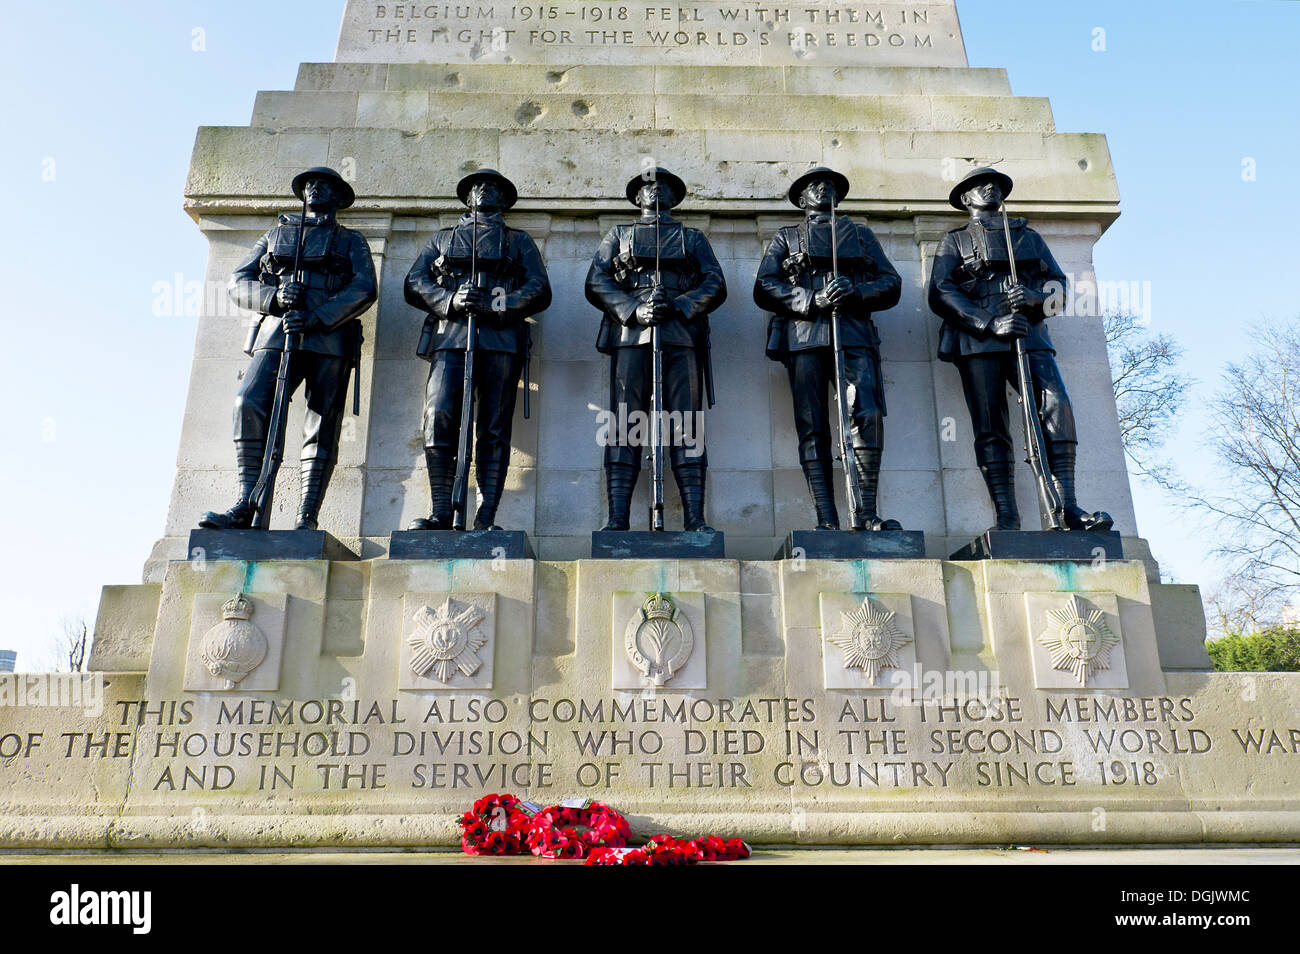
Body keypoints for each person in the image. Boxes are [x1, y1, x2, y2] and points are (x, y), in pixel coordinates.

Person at [928, 166, 1112, 532]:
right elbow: (940, 291)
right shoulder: (955, 242)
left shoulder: (1027, 237)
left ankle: (1068, 508)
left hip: (1028, 334)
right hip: (979, 341)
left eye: (995, 185)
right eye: (980, 186)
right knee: (991, 424)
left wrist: (1035, 298)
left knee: (1056, 406)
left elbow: (1058, 287)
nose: (990, 189)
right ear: (966, 199)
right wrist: (988, 322)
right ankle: (1007, 517)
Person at [199, 166, 375, 531]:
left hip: (330, 334)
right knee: (248, 402)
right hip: (279, 329)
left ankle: (306, 516)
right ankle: (246, 504)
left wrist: (318, 317)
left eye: (324, 184)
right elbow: (237, 282)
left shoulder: (351, 239)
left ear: (339, 197)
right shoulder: (276, 233)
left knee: (322, 423)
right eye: (310, 184)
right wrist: (274, 298)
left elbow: (364, 288)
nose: (314, 188)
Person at [754, 167, 903, 530]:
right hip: (804, 336)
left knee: (866, 415)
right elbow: (764, 286)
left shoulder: (861, 235)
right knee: (812, 425)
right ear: (802, 199)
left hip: (853, 333)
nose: (823, 189)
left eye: (830, 186)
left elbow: (891, 282)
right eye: (814, 186)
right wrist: (812, 298)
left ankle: (866, 512)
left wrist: (858, 292)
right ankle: (827, 519)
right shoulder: (787, 237)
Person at [404, 169, 551, 530]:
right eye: (477, 187)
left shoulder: (519, 241)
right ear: (467, 197)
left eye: (493, 188)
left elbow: (539, 288)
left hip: (501, 340)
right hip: (451, 337)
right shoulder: (442, 239)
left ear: (504, 199)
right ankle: (442, 510)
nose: (484, 191)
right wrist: (451, 298)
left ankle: (486, 515)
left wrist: (497, 305)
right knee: (439, 417)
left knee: (493, 427)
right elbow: (414, 283)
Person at [585, 167, 727, 532]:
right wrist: (635, 310)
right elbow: (596, 280)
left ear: (674, 197)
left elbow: (715, 282)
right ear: (637, 197)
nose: (655, 190)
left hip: (681, 334)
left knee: (686, 425)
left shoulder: (692, 238)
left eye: (663, 186)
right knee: (623, 424)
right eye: (648, 186)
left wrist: (681, 305)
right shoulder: (618, 235)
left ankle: (695, 519)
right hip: (631, 336)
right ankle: (618, 519)